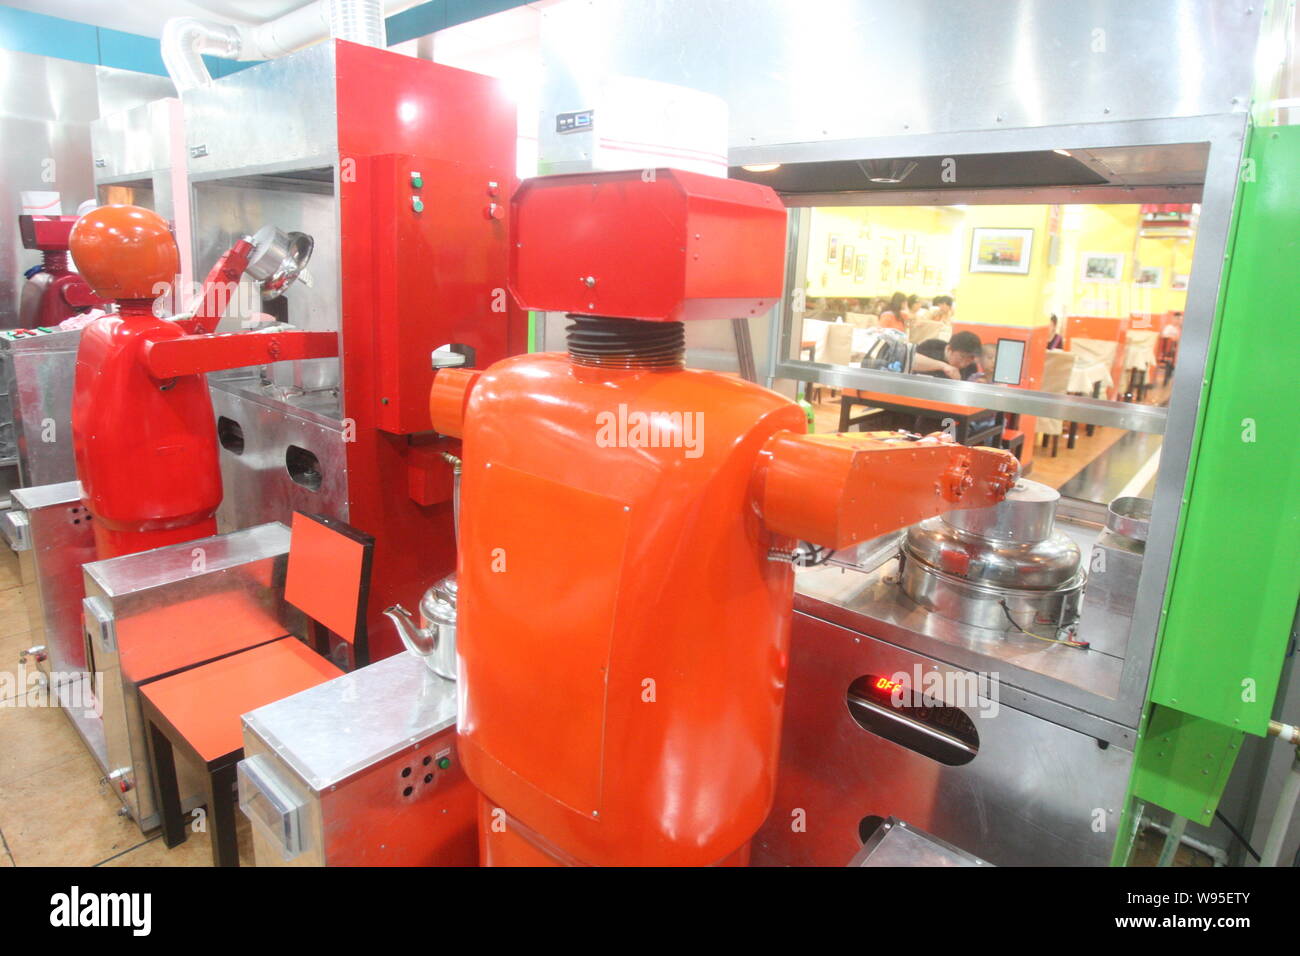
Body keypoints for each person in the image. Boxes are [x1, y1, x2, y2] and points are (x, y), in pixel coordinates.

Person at [913, 329, 982, 380]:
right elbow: (911, 361)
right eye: (962, 357)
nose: (963, 364)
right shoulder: (931, 346)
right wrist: (943, 366)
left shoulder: (971, 367)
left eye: (969, 359)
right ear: (949, 349)